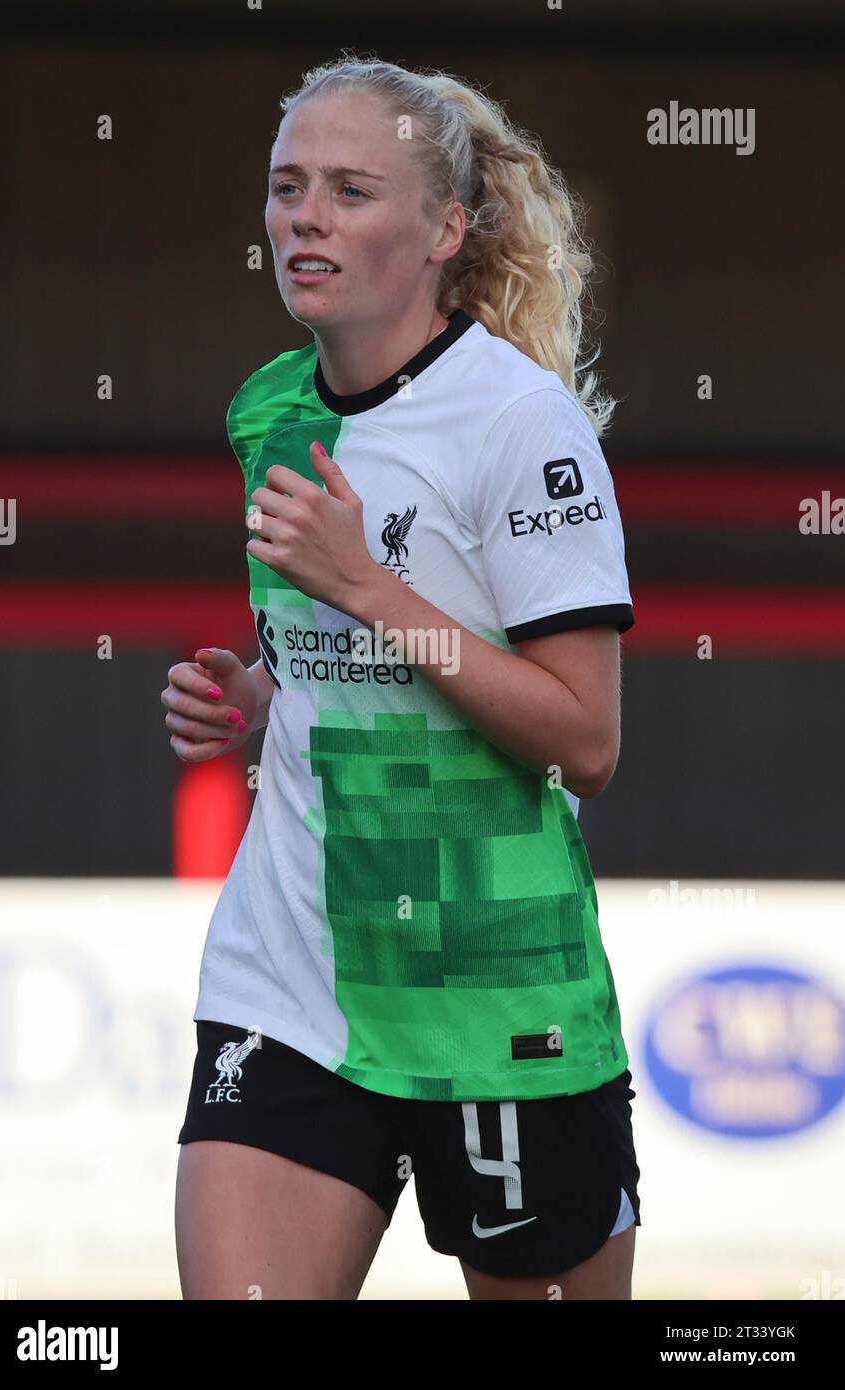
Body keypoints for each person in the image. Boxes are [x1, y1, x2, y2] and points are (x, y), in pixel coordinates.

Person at [162, 55, 640, 1301]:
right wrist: (255, 696)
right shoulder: (269, 410)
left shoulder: (521, 425)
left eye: (349, 190)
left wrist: (367, 590)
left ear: (443, 231)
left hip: (495, 997)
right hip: (291, 981)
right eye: (287, 187)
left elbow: (583, 739)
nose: (303, 218)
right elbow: (328, 664)